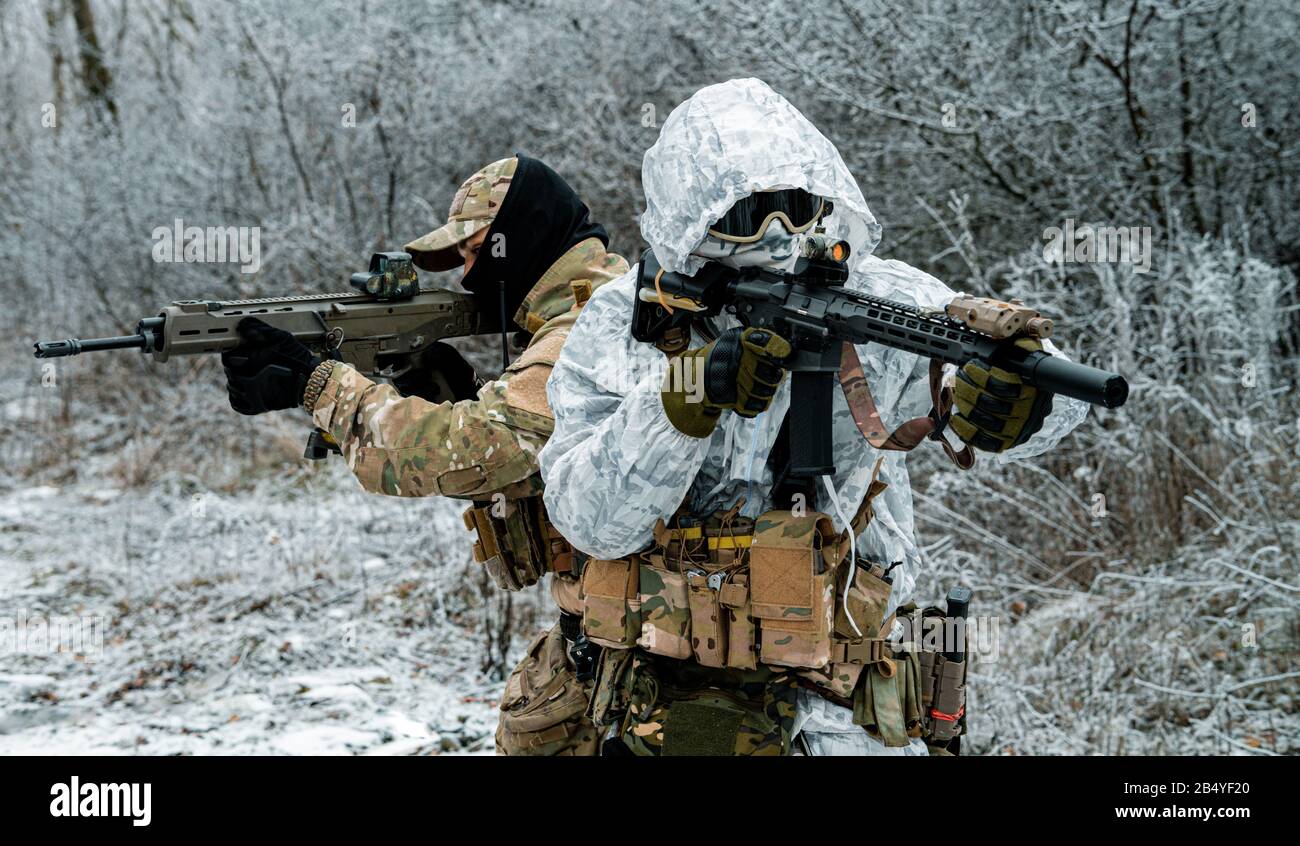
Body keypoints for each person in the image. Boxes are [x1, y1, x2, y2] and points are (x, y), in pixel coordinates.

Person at [538, 79, 1089, 755]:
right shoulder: (627, 324)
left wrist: (1018, 403)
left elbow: (1041, 386)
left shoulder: (879, 300)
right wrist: (684, 397)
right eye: (748, 216)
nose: (780, 238)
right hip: (662, 695)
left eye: (799, 209)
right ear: (690, 217)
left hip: (837, 698)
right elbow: (587, 517)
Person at [219, 155, 629, 755]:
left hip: (640, 647)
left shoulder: (592, 324)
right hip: (606, 633)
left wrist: (320, 387)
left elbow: (484, 447)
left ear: (523, 237)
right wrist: (450, 393)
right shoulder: (593, 307)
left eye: (472, 255)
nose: (465, 278)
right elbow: (538, 459)